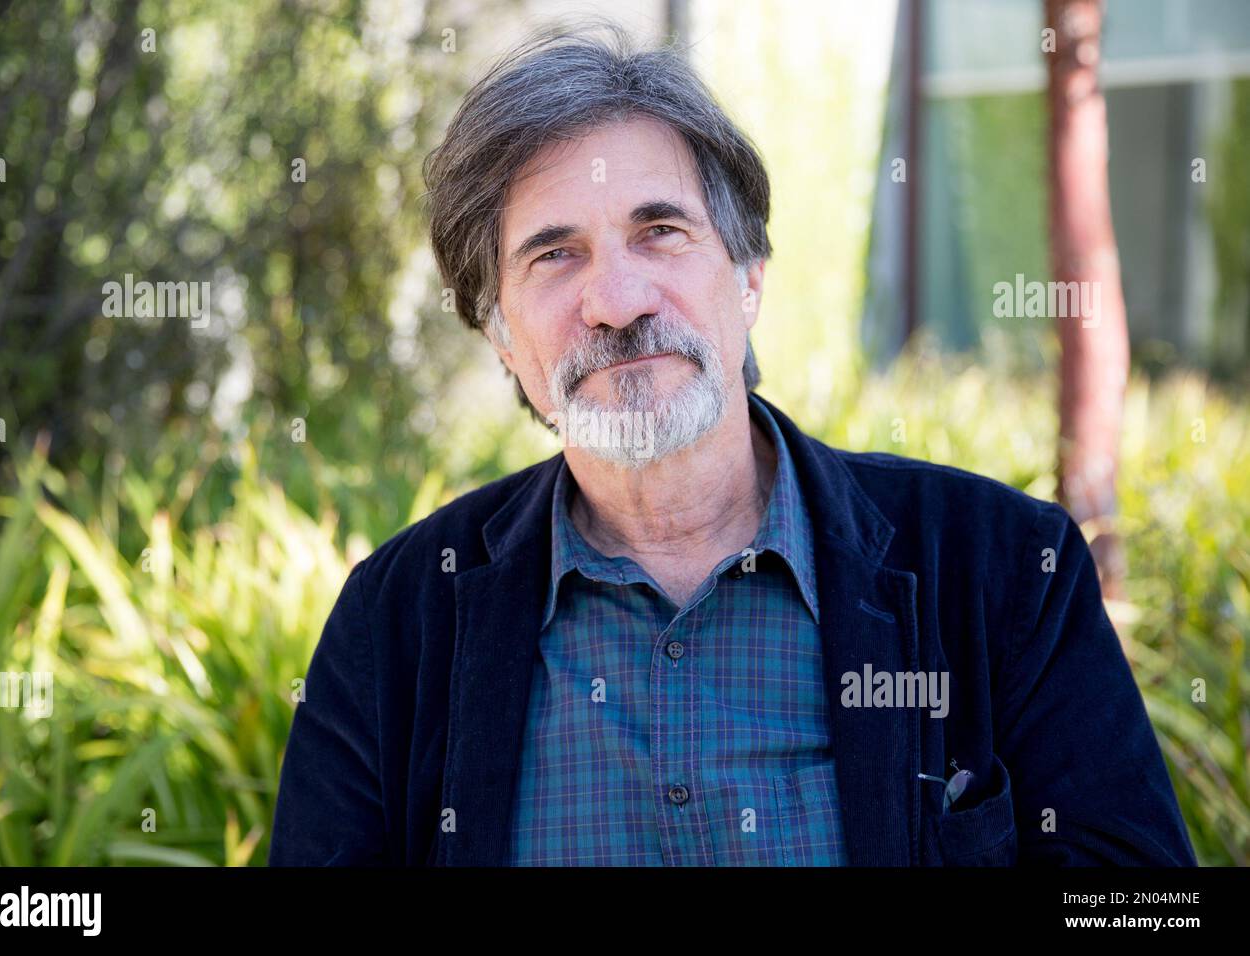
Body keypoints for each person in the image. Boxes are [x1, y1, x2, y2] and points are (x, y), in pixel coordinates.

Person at [269, 22, 1195, 867]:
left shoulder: (1001, 572)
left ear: (748, 276)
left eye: (660, 232)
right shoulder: (395, 624)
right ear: (501, 333)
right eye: (555, 255)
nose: (618, 300)